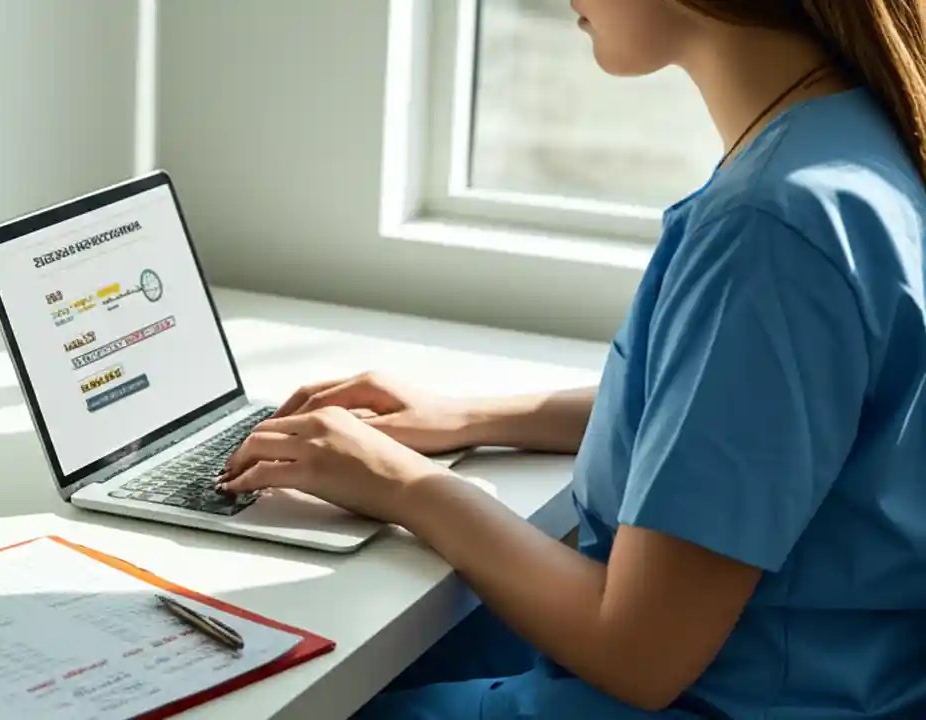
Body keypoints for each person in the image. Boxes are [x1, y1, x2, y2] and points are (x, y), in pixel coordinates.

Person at [216, 1, 926, 717]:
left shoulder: (770, 232)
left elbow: (640, 654)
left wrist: (402, 485)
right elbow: (739, 418)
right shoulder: (855, 137)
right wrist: (469, 416)